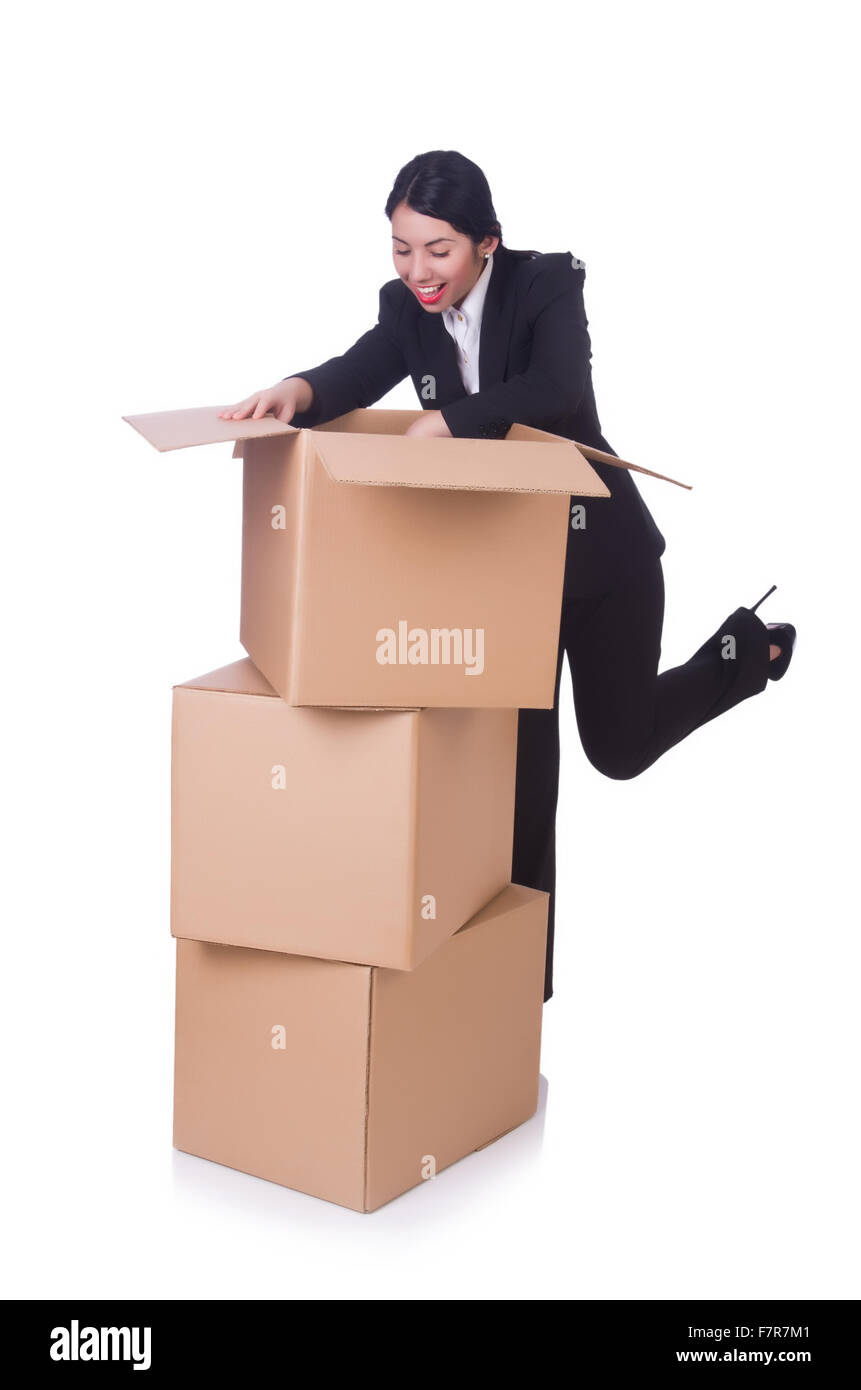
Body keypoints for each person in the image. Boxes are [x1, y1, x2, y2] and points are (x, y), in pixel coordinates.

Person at [219, 149, 796, 1003]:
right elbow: (362, 366)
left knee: (619, 750)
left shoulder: (546, 286)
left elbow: (556, 387)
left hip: (602, 559)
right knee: (518, 788)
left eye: (438, 250)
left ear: (487, 242)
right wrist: (295, 390)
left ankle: (743, 653)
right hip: (505, 578)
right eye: (401, 247)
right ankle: (519, 986)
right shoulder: (404, 308)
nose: (418, 270)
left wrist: (451, 422)